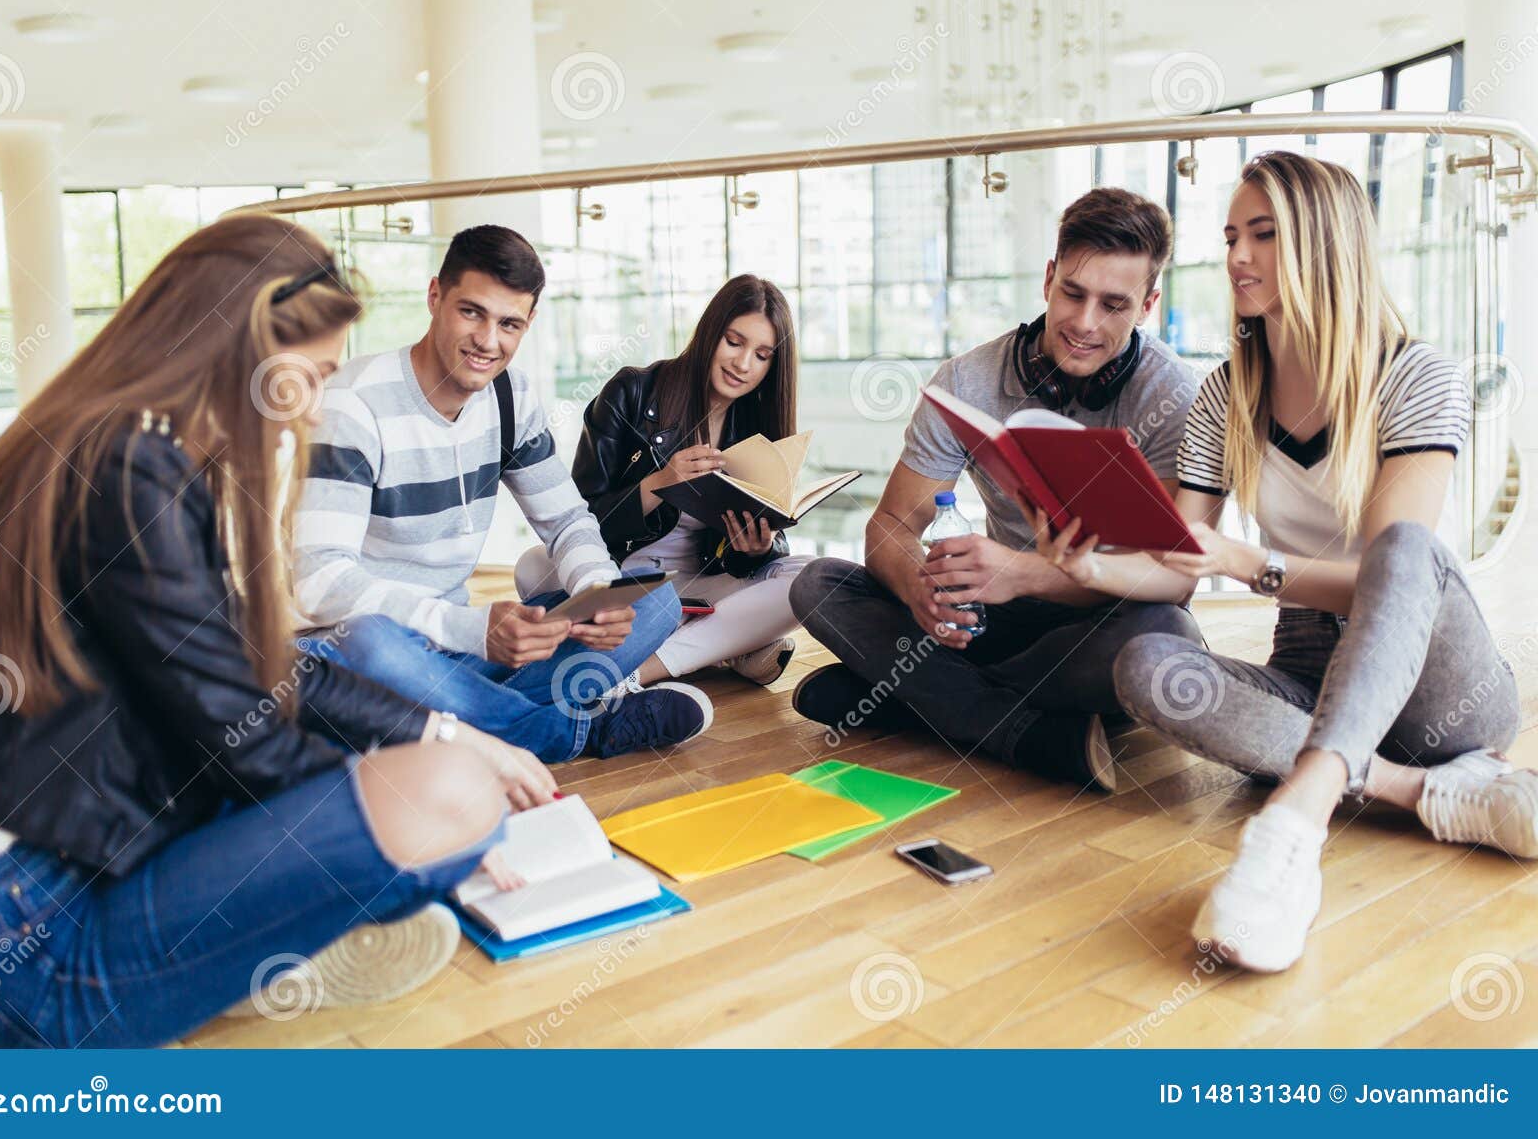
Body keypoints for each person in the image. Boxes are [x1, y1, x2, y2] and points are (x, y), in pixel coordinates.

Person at [0, 215, 554, 1048]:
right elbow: (248, 736)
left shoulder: (128, 447)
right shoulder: (128, 467)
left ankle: (247, 965)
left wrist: (443, 729)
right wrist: (426, 803)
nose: (312, 407)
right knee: (449, 799)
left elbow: (265, 673)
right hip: (29, 944)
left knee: (442, 781)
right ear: (243, 348)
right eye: (313, 375)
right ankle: (260, 957)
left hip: (51, 885)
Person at [1035, 151, 1537, 973]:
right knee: (1149, 664)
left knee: (1406, 546)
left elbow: (1389, 574)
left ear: (1326, 244)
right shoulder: (1226, 394)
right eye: (1232, 235)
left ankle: (1293, 826)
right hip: (1310, 662)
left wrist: (1251, 561)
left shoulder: (1417, 376)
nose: (1236, 256)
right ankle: (1432, 793)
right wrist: (1093, 569)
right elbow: (1177, 562)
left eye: (1263, 235)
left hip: (1434, 684)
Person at [789, 187, 1202, 788]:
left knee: (1167, 637)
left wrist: (1022, 572)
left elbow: (1162, 569)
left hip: (1093, 627)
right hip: (985, 621)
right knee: (817, 584)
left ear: (1148, 305)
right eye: (1073, 294)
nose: (1085, 324)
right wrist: (919, 590)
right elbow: (891, 525)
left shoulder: (1173, 396)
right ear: (1048, 278)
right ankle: (1026, 732)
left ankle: (916, 700)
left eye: (1114, 305)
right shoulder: (967, 379)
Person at [293, 225, 713, 764]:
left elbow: (566, 520)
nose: (488, 341)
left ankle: (444, 726)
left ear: (529, 323)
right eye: (472, 312)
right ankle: (579, 732)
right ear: (435, 296)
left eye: (509, 323)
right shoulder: (354, 404)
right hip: (363, 652)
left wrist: (595, 592)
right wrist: (468, 628)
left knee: (654, 604)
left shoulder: (510, 399)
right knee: (372, 641)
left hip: (457, 657)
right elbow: (320, 580)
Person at [516, 274, 809, 688]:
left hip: (699, 584)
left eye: (762, 355)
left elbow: (766, 545)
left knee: (811, 577)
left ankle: (638, 668)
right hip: (623, 577)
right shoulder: (632, 391)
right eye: (734, 341)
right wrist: (659, 483)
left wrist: (757, 548)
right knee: (533, 566)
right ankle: (728, 645)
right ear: (710, 333)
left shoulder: (759, 425)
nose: (743, 364)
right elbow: (579, 518)